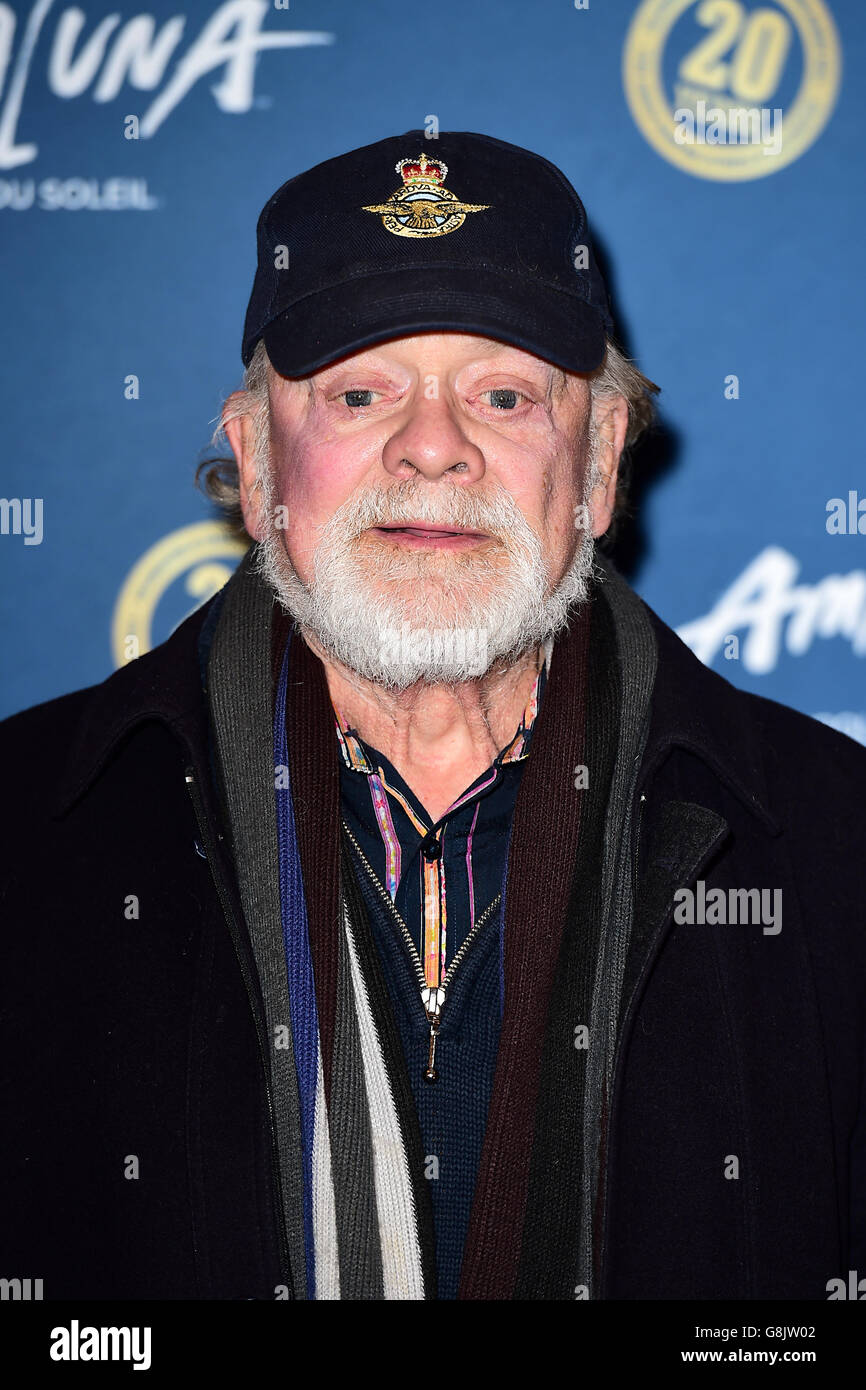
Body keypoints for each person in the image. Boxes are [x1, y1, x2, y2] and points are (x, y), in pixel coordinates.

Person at [2, 130, 864, 1302]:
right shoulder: (31, 830)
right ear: (256, 464)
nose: (432, 446)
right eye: (361, 392)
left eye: (502, 395)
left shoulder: (829, 841)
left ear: (599, 463)